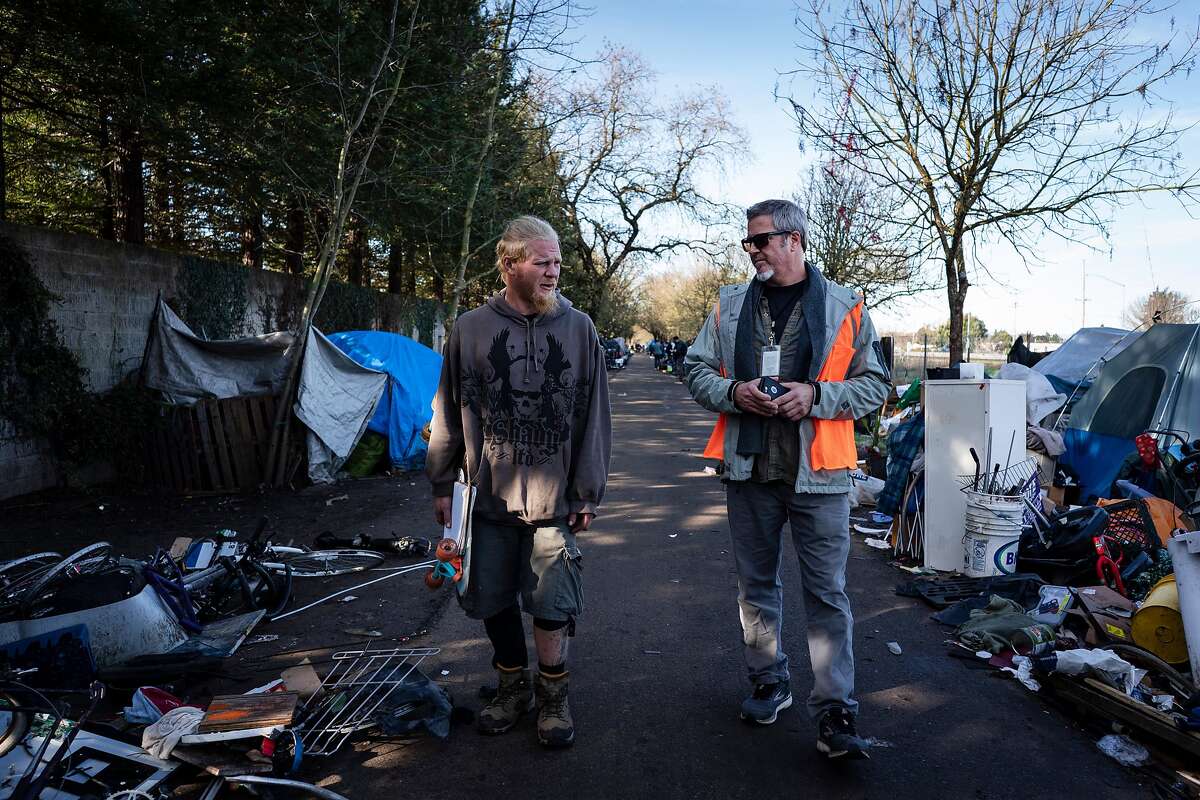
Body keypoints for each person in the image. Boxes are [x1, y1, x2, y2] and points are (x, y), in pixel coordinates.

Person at [684, 198, 890, 759]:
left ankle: (835, 711)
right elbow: (694, 369)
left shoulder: (846, 305)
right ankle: (768, 681)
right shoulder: (728, 305)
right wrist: (734, 392)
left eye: (760, 240)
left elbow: (876, 384)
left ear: (793, 240)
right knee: (755, 587)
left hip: (819, 476)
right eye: (747, 242)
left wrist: (816, 396)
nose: (751, 251)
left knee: (827, 593)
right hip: (749, 470)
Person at [426, 215, 612, 749]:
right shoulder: (471, 328)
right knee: (492, 597)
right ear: (509, 265)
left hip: (554, 499)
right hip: (486, 497)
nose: (554, 272)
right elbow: (447, 408)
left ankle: (553, 695)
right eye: (542, 262)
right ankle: (512, 688)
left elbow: (595, 417)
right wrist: (442, 483)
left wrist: (587, 491)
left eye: (558, 262)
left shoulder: (579, 329)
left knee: (553, 601)